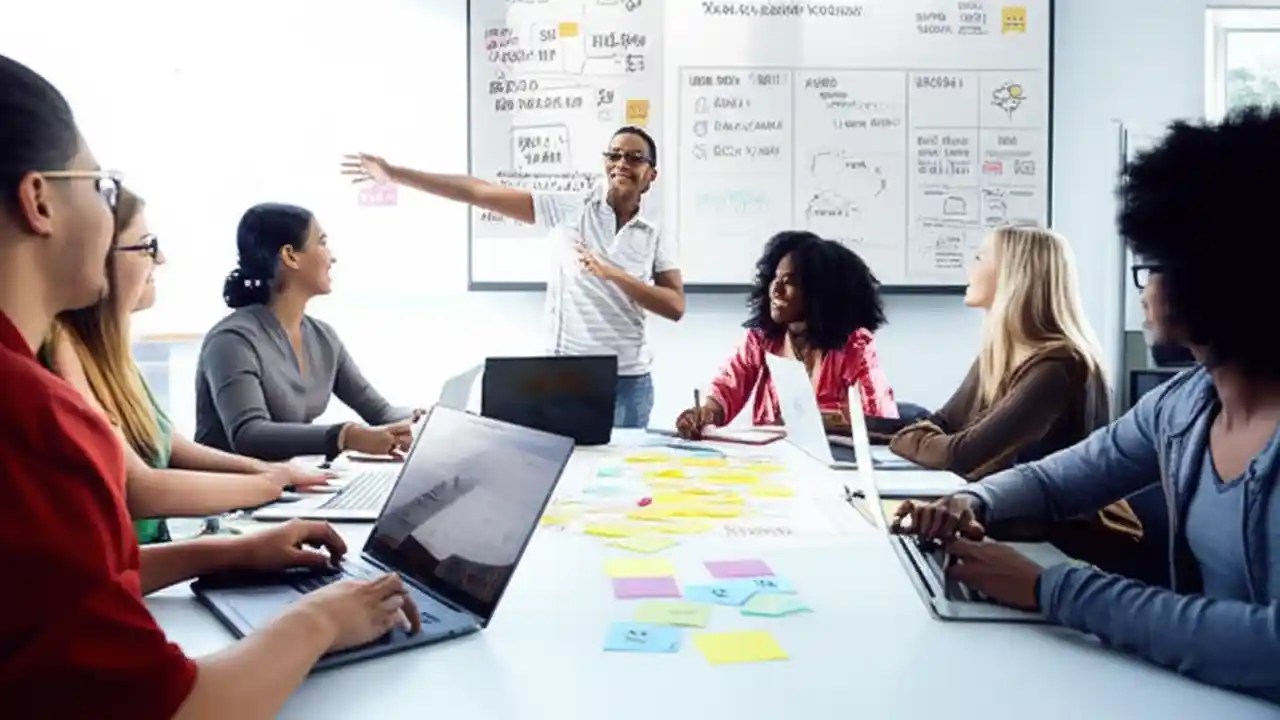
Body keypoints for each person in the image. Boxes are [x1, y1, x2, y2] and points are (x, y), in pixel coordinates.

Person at [0, 54, 419, 719]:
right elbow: (180, 707)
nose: (142, 247)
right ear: (40, 201)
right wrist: (320, 621)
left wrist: (240, 548)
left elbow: (74, 588)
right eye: (103, 187)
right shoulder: (31, 416)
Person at [893, 107, 1280, 702]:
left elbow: (1270, 646)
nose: (1144, 292)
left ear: (1218, 276)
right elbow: (1057, 481)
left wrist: (1052, 589)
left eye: (1151, 269)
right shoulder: (1183, 408)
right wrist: (970, 500)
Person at [342, 126, 684, 428]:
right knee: (569, 476)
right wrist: (394, 174)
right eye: (614, 154)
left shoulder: (657, 229)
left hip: (629, 382)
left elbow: (674, 305)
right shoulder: (569, 208)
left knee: (624, 483)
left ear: (651, 174)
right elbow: (478, 192)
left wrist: (613, 274)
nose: (622, 162)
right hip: (567, 375)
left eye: (635, 157)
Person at [43, 187, 332, 544]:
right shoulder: (62, 348)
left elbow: (171, 446)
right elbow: (139, 488)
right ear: (97, 256)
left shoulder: (109, 354)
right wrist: (266, 486)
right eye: (147, 245)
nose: (160, 258)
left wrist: (272, 471)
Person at [881, 226, 1142, 571]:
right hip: (1013, 525)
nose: (969, 269)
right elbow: (943, 425)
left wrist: (915, 437)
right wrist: (924, 437)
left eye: (979, 258)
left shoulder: (1060, 366)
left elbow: (959, 456)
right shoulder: (1001, 352)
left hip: (1066, 546)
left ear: (1013, 275)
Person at [196, 202, 419, 461]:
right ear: (291, 256)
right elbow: (249, 435)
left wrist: (423, 421)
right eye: (322, 243)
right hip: (230, 494)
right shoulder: (233, 341)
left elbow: (380, 413)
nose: (332, 257)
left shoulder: (323, 338)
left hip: (286, 489)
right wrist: (345, 436)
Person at [674, 231, 897, 438]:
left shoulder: (855, 346)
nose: (776, 290)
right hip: (773, 464)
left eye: (789, 282)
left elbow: (881, 422)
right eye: (775, 279)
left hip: (836, 465)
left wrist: (827, 421)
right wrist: (704, 414)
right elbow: (725, 391)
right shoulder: (761, 340)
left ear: (819, 293)